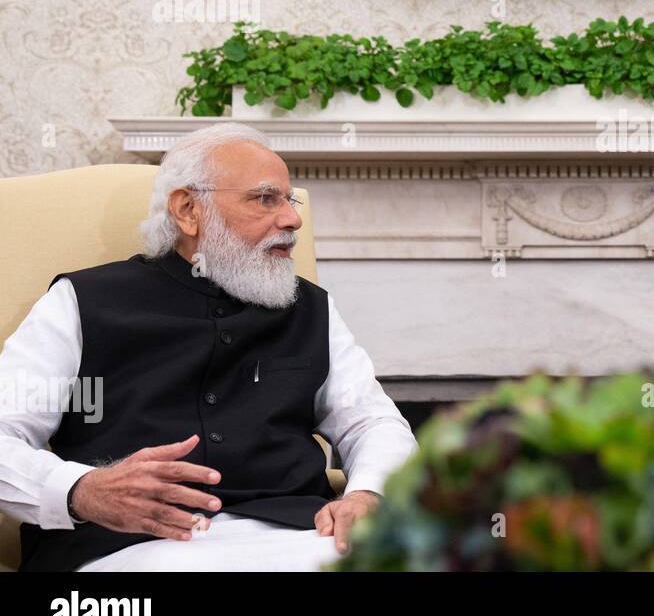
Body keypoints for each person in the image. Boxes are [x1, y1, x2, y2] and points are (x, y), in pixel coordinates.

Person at [0, 123, 418, 571]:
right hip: (132, 548)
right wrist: (81, 490)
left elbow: (372, 422)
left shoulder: (311, 309)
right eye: (265, 198)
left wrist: (368, 492)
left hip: (301, 539)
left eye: (289, 199)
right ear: (187, 210)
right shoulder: (81, 302)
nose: (293, 218)